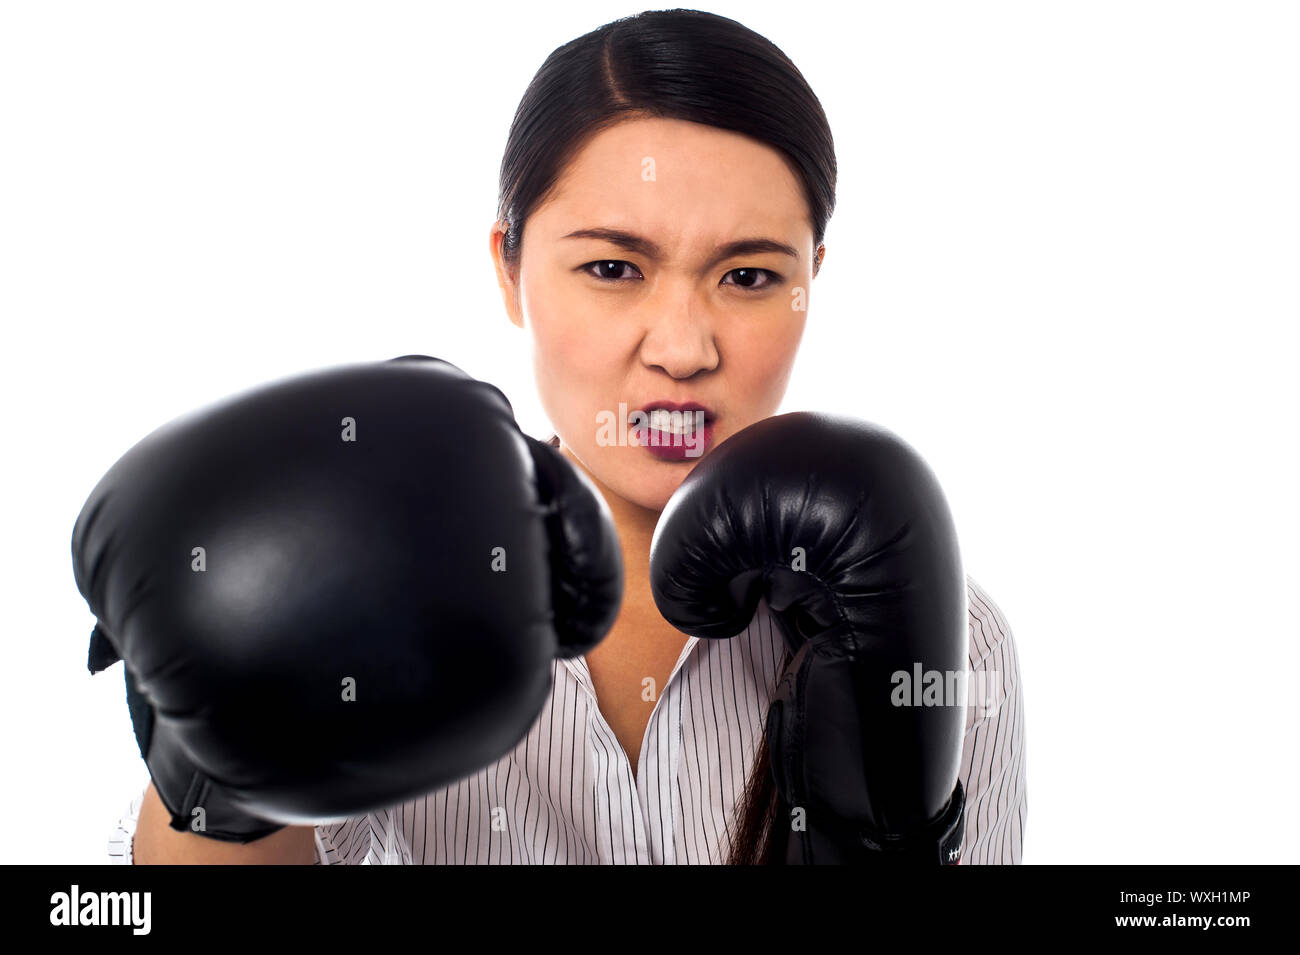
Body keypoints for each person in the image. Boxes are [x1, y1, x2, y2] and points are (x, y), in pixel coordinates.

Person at [108, 8, 1026, 865]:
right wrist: (221, 776)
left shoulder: (952, 636)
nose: (681, 349)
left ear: (810, 279)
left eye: (748, 276)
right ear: (507, 269)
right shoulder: (384, 578)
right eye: (613, 266)